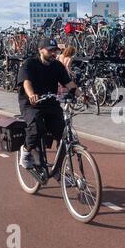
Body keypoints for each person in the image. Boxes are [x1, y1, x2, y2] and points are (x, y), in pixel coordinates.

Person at [17, 38, 82, 170]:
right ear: (40, 50)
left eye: (55, 50)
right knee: (36, 128)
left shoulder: (57, 66)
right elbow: (26, 82)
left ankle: (59, 170)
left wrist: (81, 95)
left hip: (51, 103)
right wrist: (31, 95)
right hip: (32, 104)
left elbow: (68, 83)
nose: (53, 53)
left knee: (64, 136)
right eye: (50, 50)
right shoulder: (29, 63)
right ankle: (26, 150)